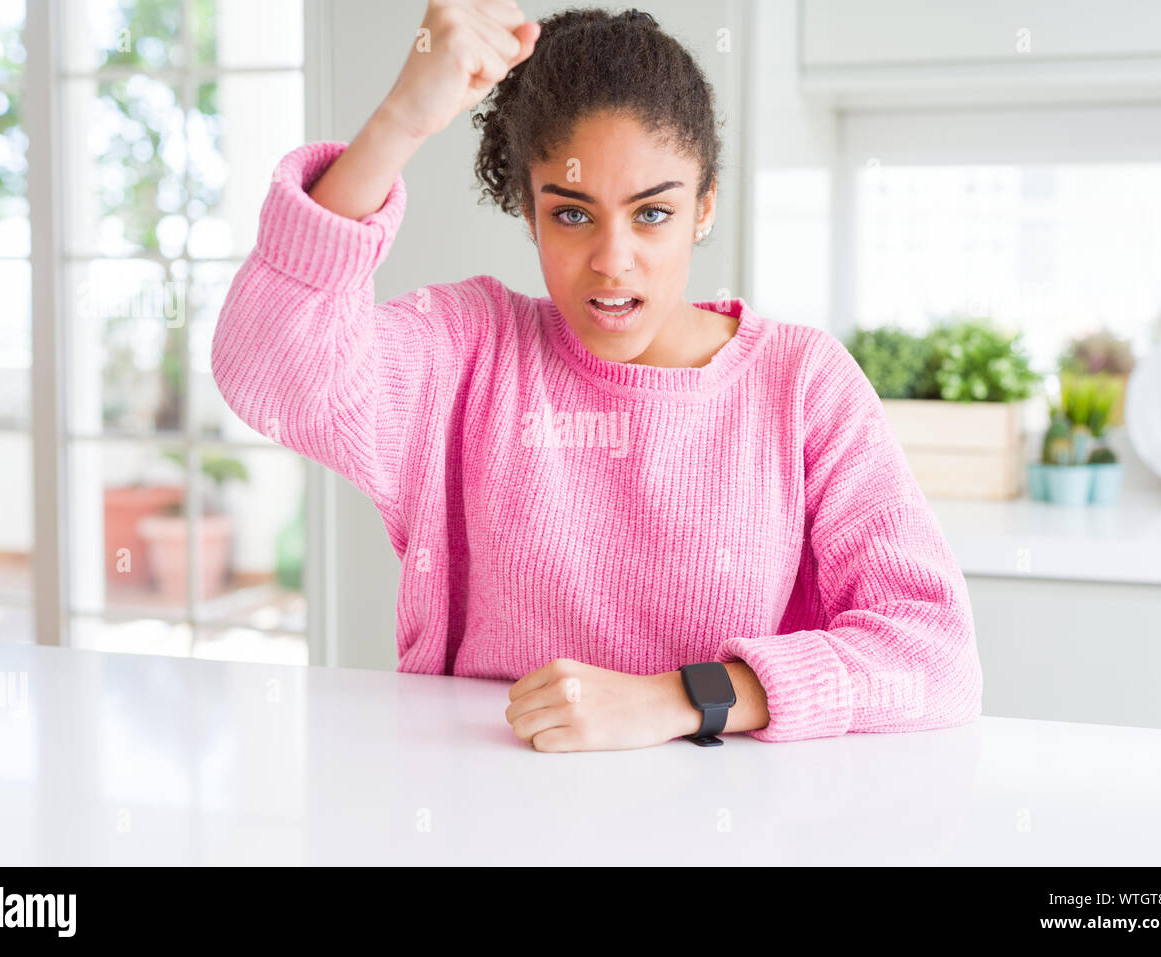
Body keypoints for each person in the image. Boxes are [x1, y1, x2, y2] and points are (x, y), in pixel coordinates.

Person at [211, 1, 983, 751]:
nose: (613, 261)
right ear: (529, 210)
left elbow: (934, 652)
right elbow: (270, 368)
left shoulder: (800, 383)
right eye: (573, 214)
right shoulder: (471, 352)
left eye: (652, 213)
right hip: (480, 809)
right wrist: (400, 122)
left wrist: (681, 698)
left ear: (704, 207)